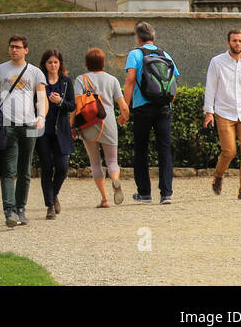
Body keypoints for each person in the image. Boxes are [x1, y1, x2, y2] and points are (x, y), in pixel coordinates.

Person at [0, 35, 47, 227]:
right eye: (12, 46)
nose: (14, 50)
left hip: (29, 124)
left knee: (25, 169)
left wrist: (42, 116)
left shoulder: (35, 72)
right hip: (7, 125)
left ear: (26, 50)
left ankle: (21, 208)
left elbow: (42, 97)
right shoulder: (0, 70)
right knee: (8, 169)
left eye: (18, 47)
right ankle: (9, 211)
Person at [203, 29, 241, 201]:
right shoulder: (217, 62)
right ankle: (218, 175)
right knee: (229, 151)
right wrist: (208, 112)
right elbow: (210, 88)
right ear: (228, 43)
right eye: (234, 40)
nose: (237, 43)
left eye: (240, 41)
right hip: (224, 113)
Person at [124, 21, 179, 204]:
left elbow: (131, 80)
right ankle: (166, 194)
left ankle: (145, 193)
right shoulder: (165, 54)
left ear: (138, 38)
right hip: (163, 107)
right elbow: (174, 81)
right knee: (164, 149)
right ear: (153, 38)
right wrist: (168, 101)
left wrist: (125, 107)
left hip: (142, 106)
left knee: (141, 149)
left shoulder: (135, 54)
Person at [75, 48, 130, 208]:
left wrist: (73, 124)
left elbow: (76, 104)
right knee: (112, 160)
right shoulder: (112, 80)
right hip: (108, 122)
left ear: (86, 63)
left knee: (95, 162)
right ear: (103, 62)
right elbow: (123, 106)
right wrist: (124, 117)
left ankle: (105, 199)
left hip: (88, 122)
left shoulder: (81, 79)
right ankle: (115, 179)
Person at [35, 49, 75, 219]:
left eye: (56, 62)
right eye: (50, 62)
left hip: (61, 130)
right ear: (45, 64)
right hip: (43, 129)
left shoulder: (66, 82)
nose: (53, 65)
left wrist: (60, 102)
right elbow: (32, 102)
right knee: (46, 167)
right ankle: (50, 205)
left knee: (62, 167)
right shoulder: (39, 82)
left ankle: (54, 193)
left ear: (60, 64)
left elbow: (72, 106)